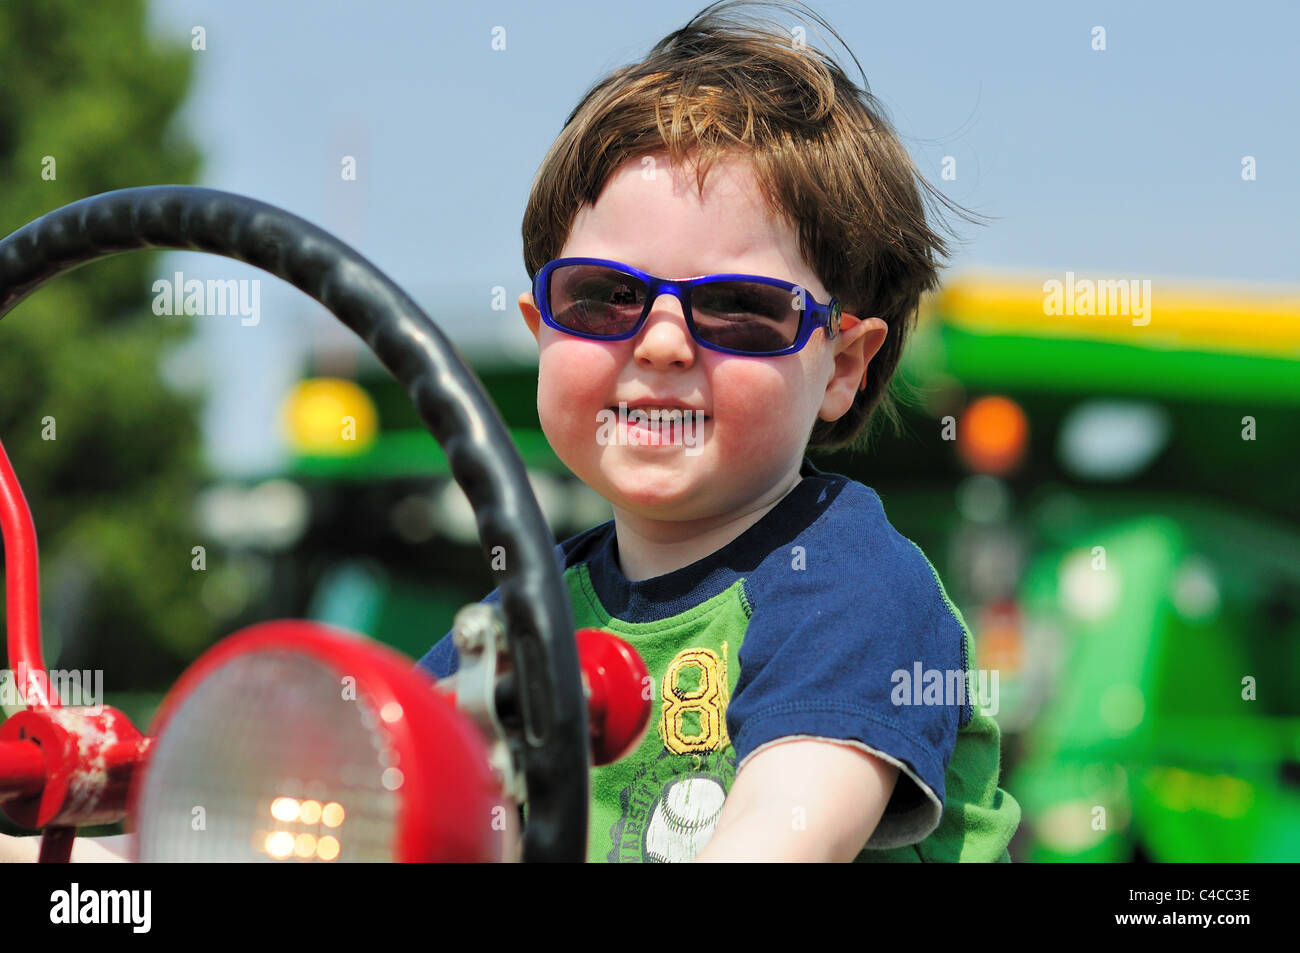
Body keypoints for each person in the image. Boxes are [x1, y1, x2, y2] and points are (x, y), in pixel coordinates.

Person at [417, 0, 1019, 862]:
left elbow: (784, 836)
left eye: (740, 308)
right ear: (543, 325)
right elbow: (372, 776)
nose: (660, 342)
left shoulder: (852, 589)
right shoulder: (523, 622)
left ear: (842, 367)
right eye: (603, 297)